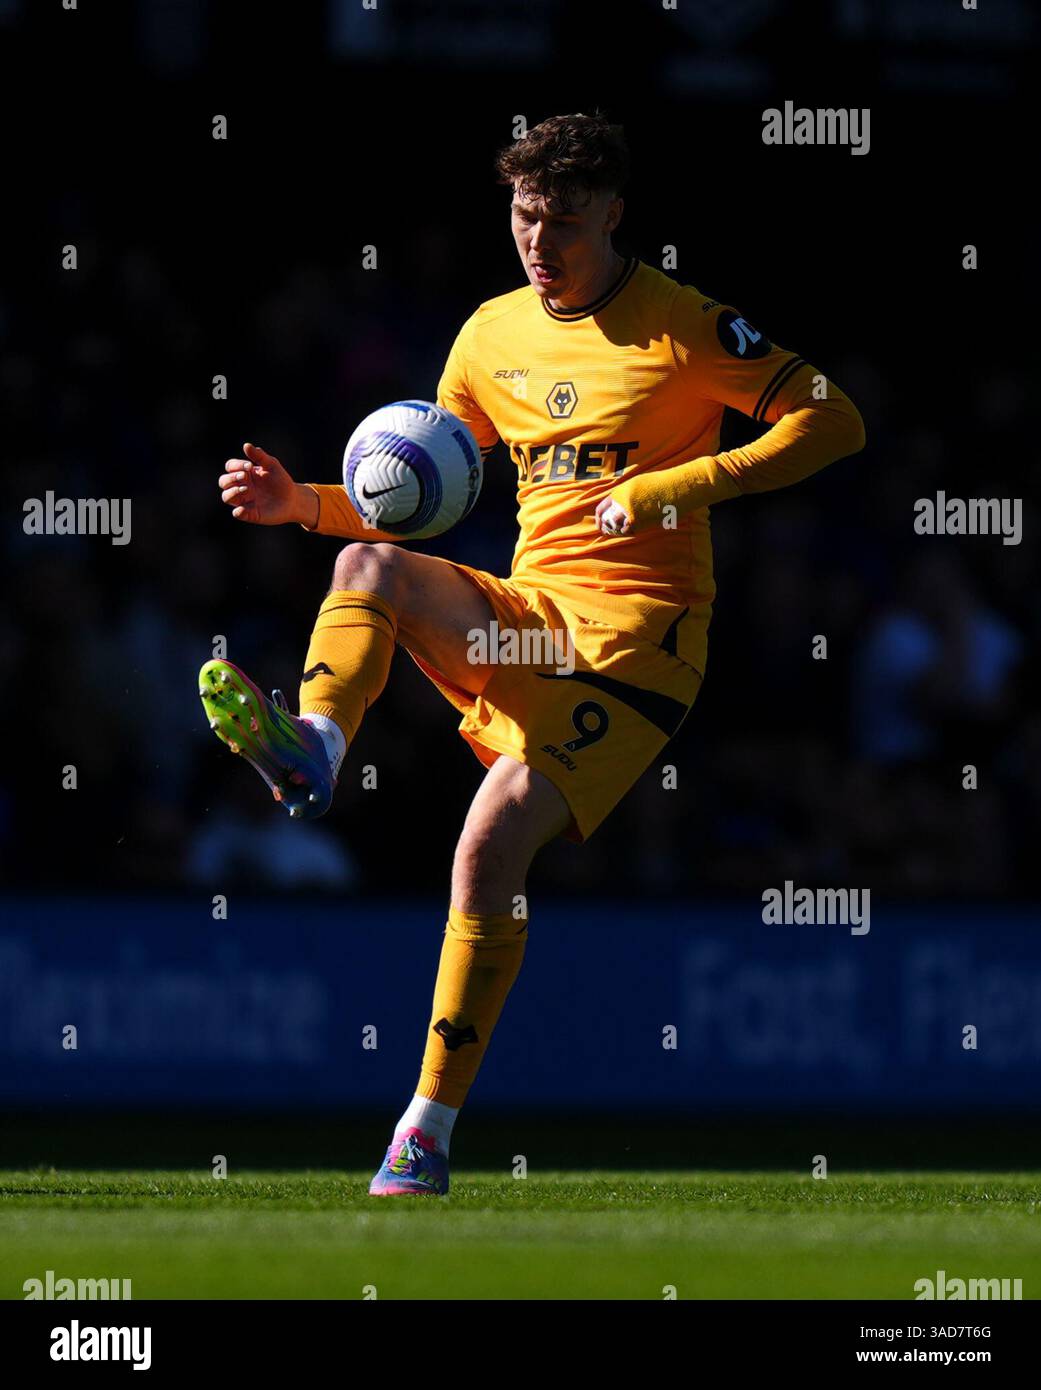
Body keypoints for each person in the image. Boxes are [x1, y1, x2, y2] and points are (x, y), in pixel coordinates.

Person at [198, 112, 865, 1195]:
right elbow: (416, 488)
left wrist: (678, 483)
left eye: (560, 219)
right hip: (529, 614)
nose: (537, 241)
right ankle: (315, 743)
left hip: (639, 648)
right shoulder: (491, 333)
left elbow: (834, 421)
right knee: (365, 564)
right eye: (521, 215)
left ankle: (424, 1129)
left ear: (612, 212)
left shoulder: (683, 327)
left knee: (485, 849)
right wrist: (301, 505)